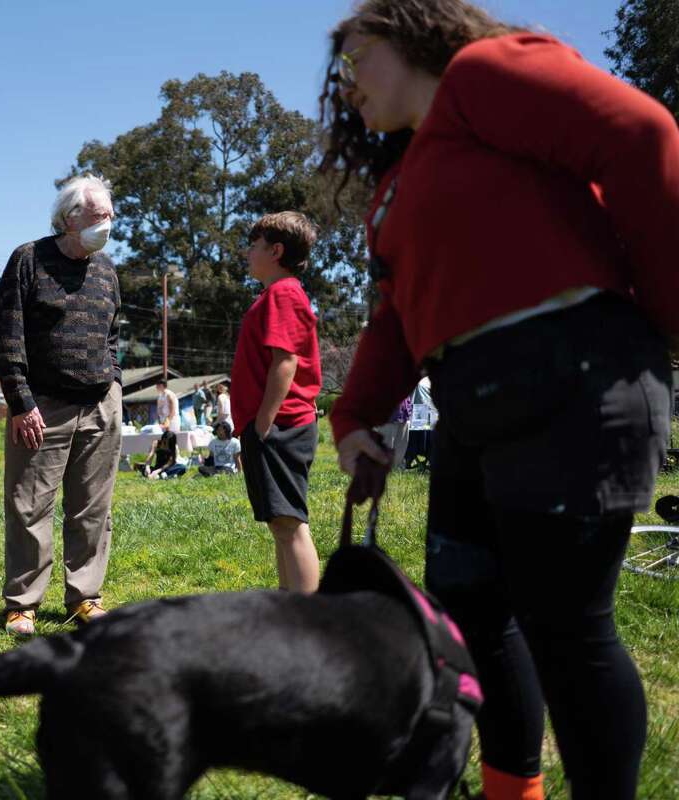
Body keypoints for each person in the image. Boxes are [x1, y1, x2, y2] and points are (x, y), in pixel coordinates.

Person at [321, 2, 679, 797]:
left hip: (574, 377)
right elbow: (395, 320)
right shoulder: (398, 183)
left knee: (567, 630)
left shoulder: (481, 77)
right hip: (472, 402)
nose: (345, 90)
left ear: (408, 37)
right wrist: (351, 423)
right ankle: (511, 791)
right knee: (470, 616)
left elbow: (642, 135)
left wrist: (664, 319)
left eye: (355, 62)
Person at [0, 174, 122, 637]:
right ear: (69, 219)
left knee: (92, 508)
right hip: (43, 406)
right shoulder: (28, 260)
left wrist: (115, 383)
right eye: (98, 216)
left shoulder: (106, 269)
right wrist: (21, 403)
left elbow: (112, 336)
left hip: (101, 405)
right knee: (29, 505)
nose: (107, 223)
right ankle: (22, 603)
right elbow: (7, 337)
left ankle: (85, 597)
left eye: (109, 215)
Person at [231, 211, 322, 594]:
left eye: (254, 246)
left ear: (277, 250)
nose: (248, 253)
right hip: (273, 425)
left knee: (289, 523)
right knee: (280, 524)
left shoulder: (284, 293)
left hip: (281, 424)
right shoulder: (275, 294)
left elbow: (286, 362)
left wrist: (263, 423)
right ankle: (289, 608)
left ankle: (305, 619)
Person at [375, 394, 411, 471]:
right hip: (388, 415)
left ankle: (397, 468)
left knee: (401, 445)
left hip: (403, 413)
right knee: (386, 445)